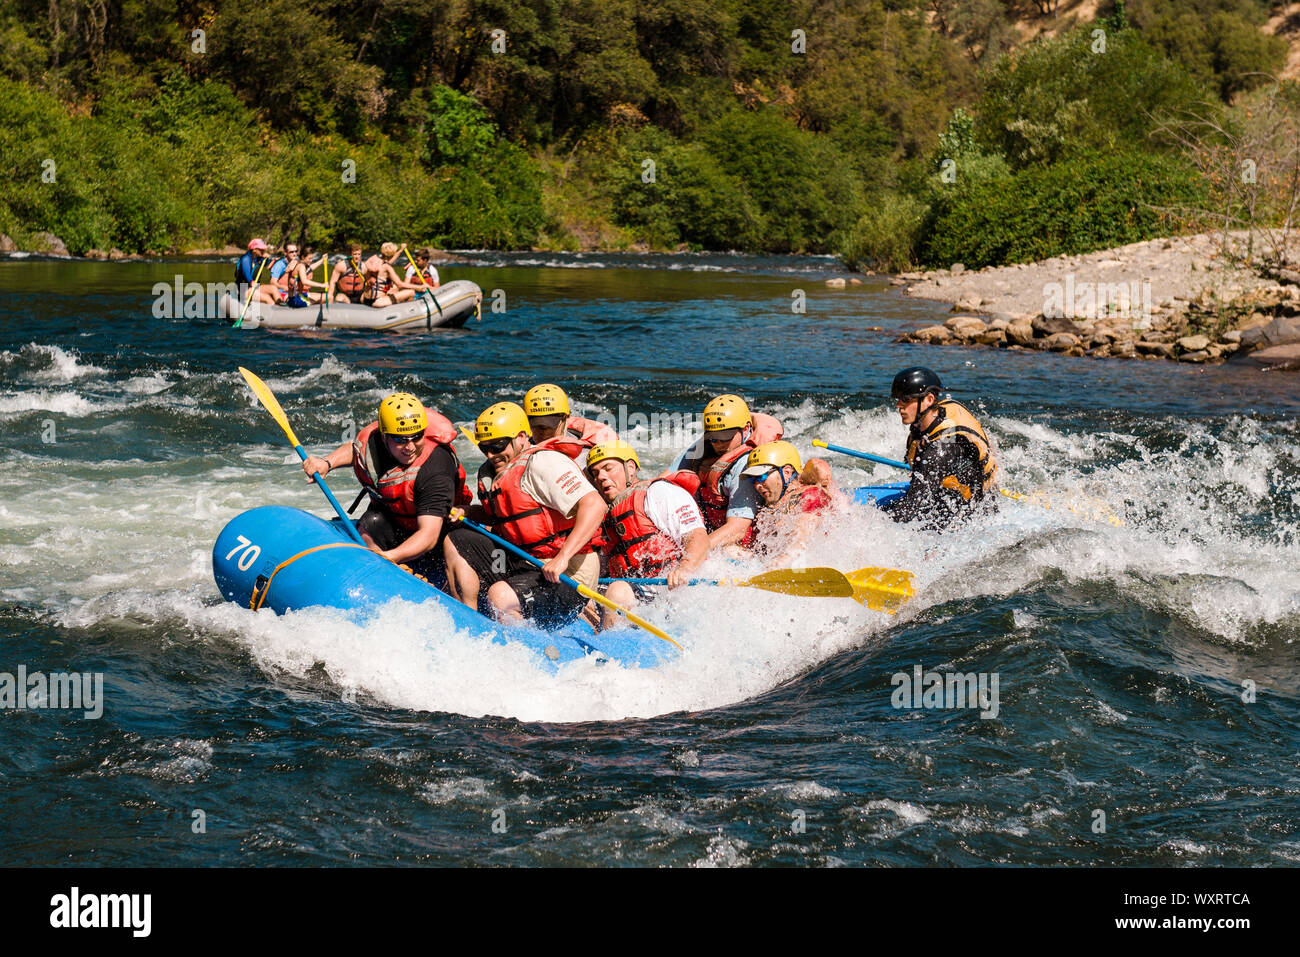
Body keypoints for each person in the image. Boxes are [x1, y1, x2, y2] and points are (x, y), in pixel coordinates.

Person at [444, 402, 606, 625]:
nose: (491, 455)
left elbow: (595, 505)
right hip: (522, 562)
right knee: (457, 540)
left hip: (566, 574)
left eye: (498, 446)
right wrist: (469, 511)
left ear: (521, 437)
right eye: (485, 448)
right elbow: (503, 518)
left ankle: (517, 645)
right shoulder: (493, 473)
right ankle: (468, 619)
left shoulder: (544, 462)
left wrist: (562, 558)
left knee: (500, 596)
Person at [299, 393, 471, 571]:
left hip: (440, 533)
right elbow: (358, 450)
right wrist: (327, 463)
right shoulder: (377, 440)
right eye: (400, 440)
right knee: (370, 522)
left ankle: (390, 569)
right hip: (398, 521)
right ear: (385, 437)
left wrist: (388, 558)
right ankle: (378, 571)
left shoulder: (436, 470)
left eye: (417, 437)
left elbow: (428, 536)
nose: (410, 447)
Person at [585, 440, 708, 630]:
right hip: (634, 589)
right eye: (595, 474)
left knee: (617, 591)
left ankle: (612, 650)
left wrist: (685, 568)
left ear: (631, 468)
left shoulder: (658, 492)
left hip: (666, 590)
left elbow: (697, 537)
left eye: (608, 468)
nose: (601, 477)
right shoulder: (602, 512)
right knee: (580, 596)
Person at [883, 366, 998, 528]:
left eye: (906, 399)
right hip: (950, 492)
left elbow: (908, 510)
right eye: (898, 399)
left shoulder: (941, 451)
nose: (898, 405)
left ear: (929, 400)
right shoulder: (933, 418)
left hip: (972, 512)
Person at [670, 394, 783, 550]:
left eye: (725, 438)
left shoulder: (744, 465)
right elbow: (666, 478)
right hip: (710, 530)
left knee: (729, 551)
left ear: (746, 429)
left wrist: (696, 551)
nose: (718, 444)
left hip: (746, 546)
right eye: (714, 438)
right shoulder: (704, 446)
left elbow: (738, 529)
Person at [740, 441, 837, 565]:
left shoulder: (812, 495)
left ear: (787, 472)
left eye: (762, 477)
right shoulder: (768, 507)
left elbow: (803, 534)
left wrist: (786, 558)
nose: (758, 485)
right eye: (753, 479)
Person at [522, 383, 617, 457]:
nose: (541, 433)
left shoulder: (585, 453)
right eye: (535, 426)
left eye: (547, 427)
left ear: (564, 418)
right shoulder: (519, 448)